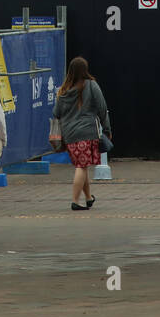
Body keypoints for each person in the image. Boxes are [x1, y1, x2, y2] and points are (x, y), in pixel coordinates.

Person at [52, 56, 110, 211]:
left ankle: (88, 197)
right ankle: (75, 201)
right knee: (82, 166)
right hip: (86, 133)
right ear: (85, 70)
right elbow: (102, 108)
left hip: (69, 135)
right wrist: (107, 129)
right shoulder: (91, 85)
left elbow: (56, 113)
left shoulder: (63, 90)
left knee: (82, 165)